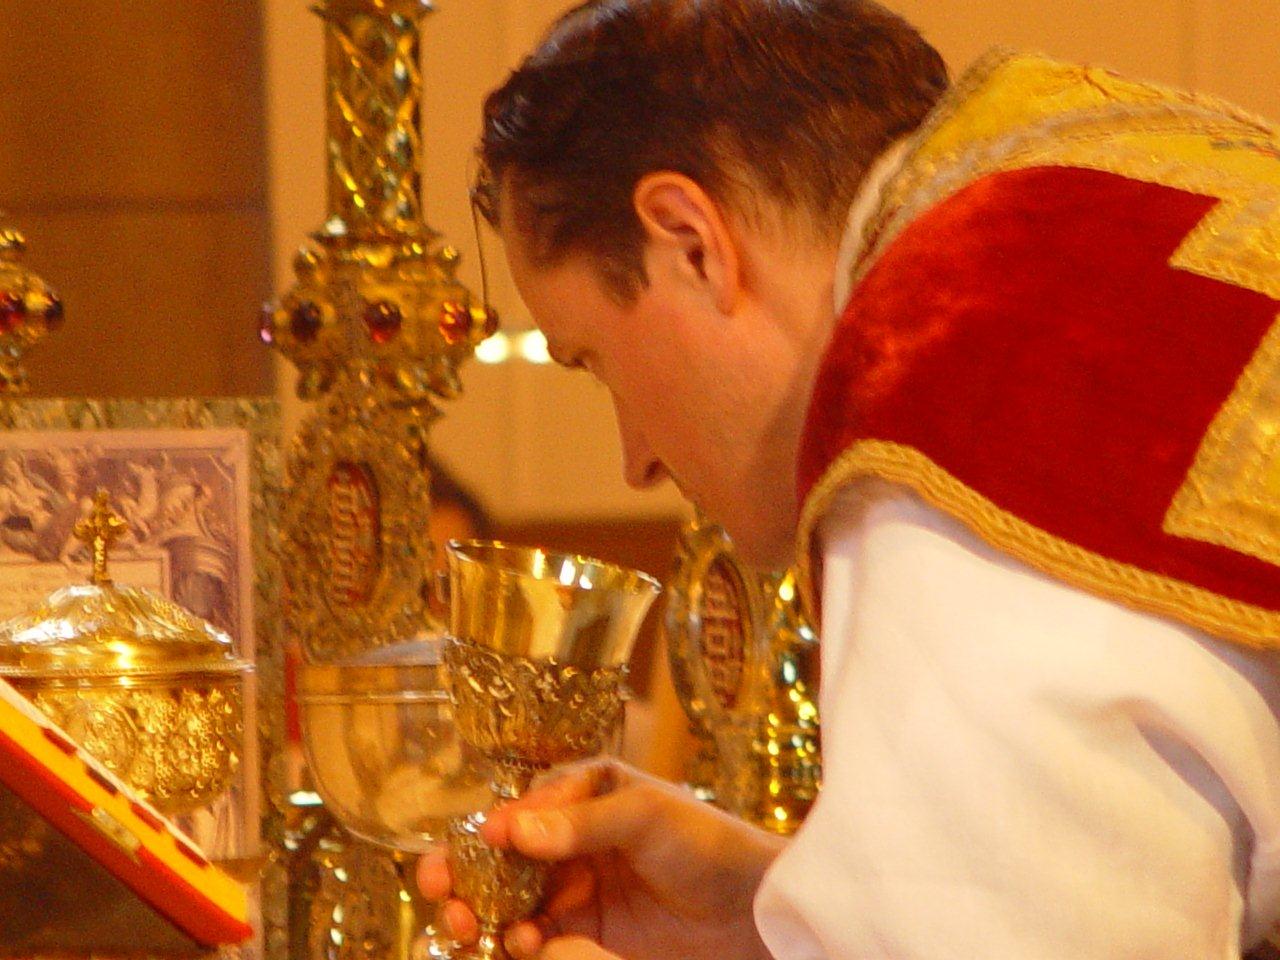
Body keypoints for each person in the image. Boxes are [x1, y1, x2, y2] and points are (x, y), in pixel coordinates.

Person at [420, 1, 1280, 956]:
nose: (636, 461)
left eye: (596, 362)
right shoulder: (1104, 180)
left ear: (689, 242)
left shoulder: (957, 422)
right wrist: (759, 908)